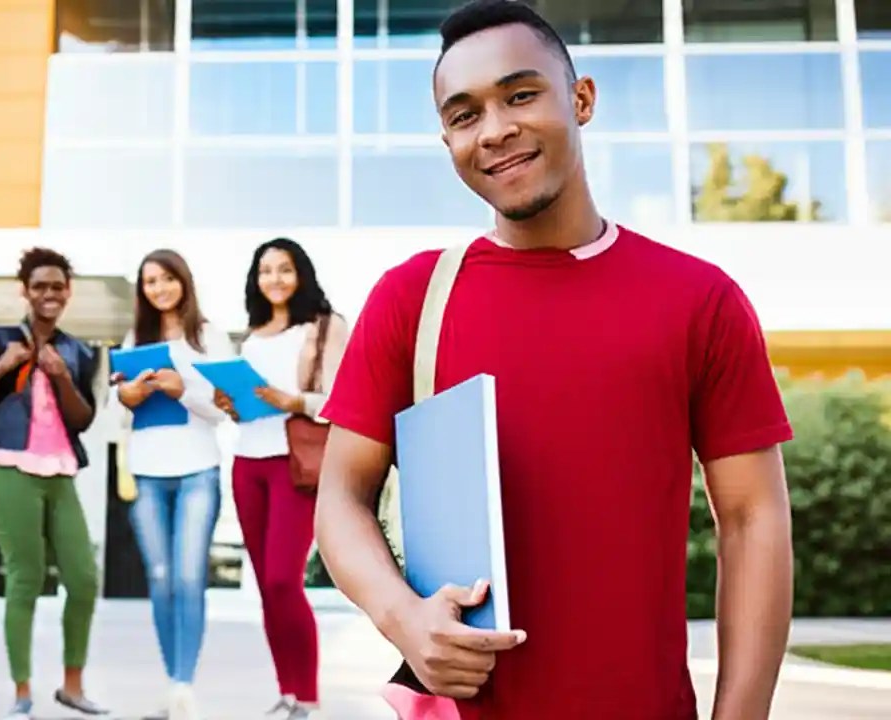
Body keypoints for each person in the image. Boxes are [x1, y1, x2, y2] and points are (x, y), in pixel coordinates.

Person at [314, 2, 795, 719]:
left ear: (581, 99)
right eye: (465, 113)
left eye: (520, 95)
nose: (497, 129)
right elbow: (340, 500)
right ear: (446, 138)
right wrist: (403, 619)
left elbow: (754, 519)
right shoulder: (411, 300)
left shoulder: (700, 301)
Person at [0, 248, 108, 719]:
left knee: (82, 578)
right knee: (26, 577)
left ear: (68, 292)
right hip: (8, 467)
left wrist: (61, 377)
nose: (49, 294)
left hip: (60, 469)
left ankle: (72, 687)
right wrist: (2, 367)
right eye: (39, 286)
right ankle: (22, 691)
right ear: (24, 290)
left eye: (58, 286)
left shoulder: (76, 350)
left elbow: (82, 419)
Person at [214, 238, 349, 720]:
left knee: (282, 579)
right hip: (247, 463)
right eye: (265, 270)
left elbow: (341, 399)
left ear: (301, 274)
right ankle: (287, 692)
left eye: (284, 269)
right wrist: (231, 405)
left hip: (296, 465)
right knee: (267, 588)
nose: (274, 279)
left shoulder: (324, 327)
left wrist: (292, 402)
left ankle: (308, 696)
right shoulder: (250, 338)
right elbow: (249, 406)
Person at [109, 249, 234, 719]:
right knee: (160, 581)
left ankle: (185, 684)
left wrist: (186, 391)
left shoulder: (210, 337)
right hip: (147, 470)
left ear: (183, 280)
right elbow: (117, 405)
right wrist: (128, 395)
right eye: (149, 281)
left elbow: (226, 408)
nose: (158, 288)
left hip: (198, 468)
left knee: (188, 577)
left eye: (166, 278)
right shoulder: (134, 337)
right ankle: (172, 681)